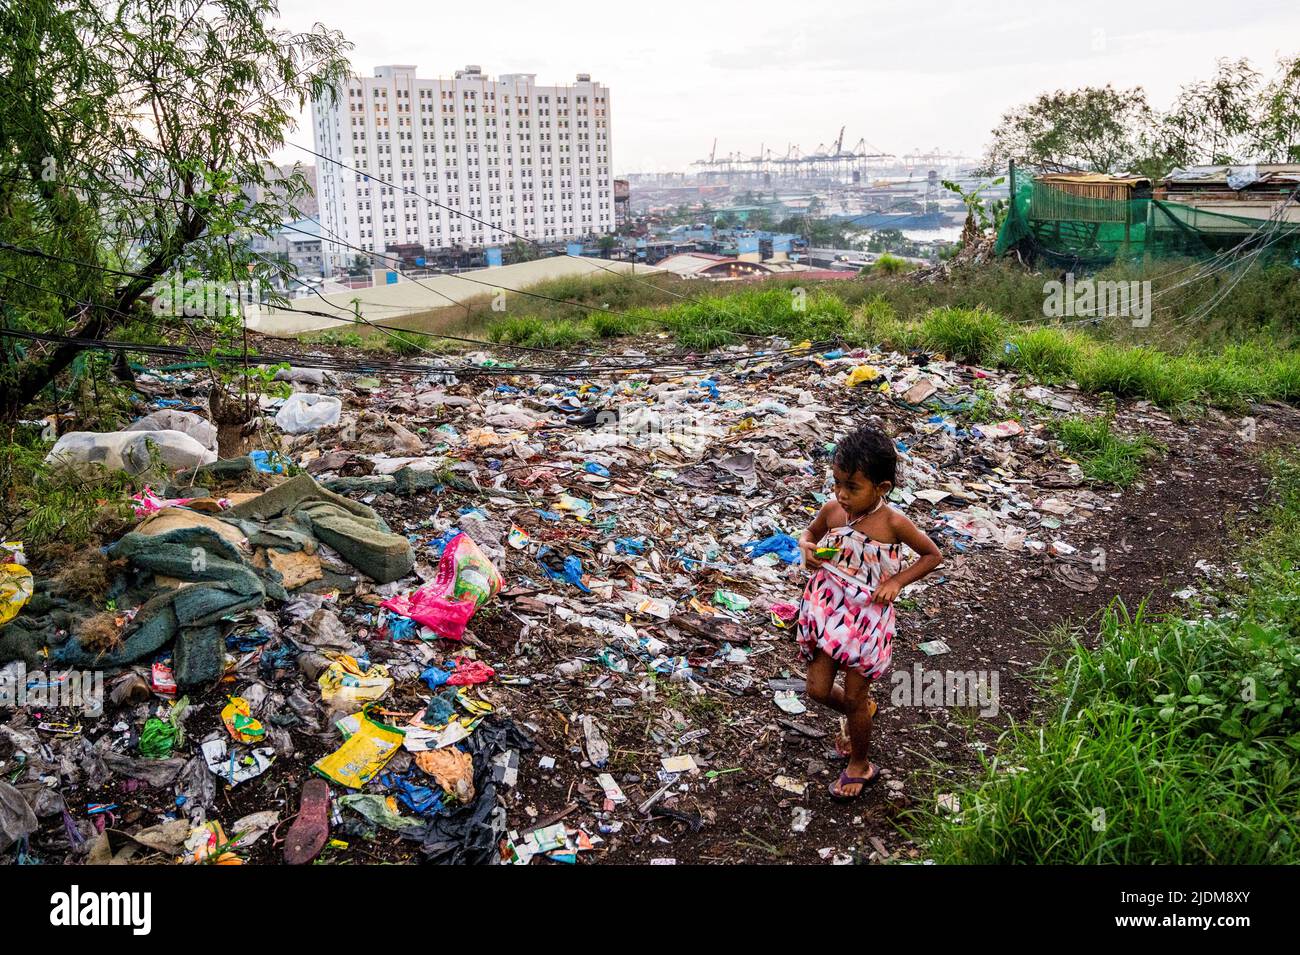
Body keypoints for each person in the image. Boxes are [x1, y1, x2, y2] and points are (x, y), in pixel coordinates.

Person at [797, 425, 942, 799]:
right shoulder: (833, 511)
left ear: (881, 489)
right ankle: (858, 709)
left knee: (855, 697)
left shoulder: (892, 522)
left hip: (867, 620)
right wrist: (807, 550)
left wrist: (897, 582)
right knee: (816, 690)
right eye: (837, 483)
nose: (841, 494)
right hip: (827, 611)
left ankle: (860, 763)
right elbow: (809, 535)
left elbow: (932, 555)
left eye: (852, 487)